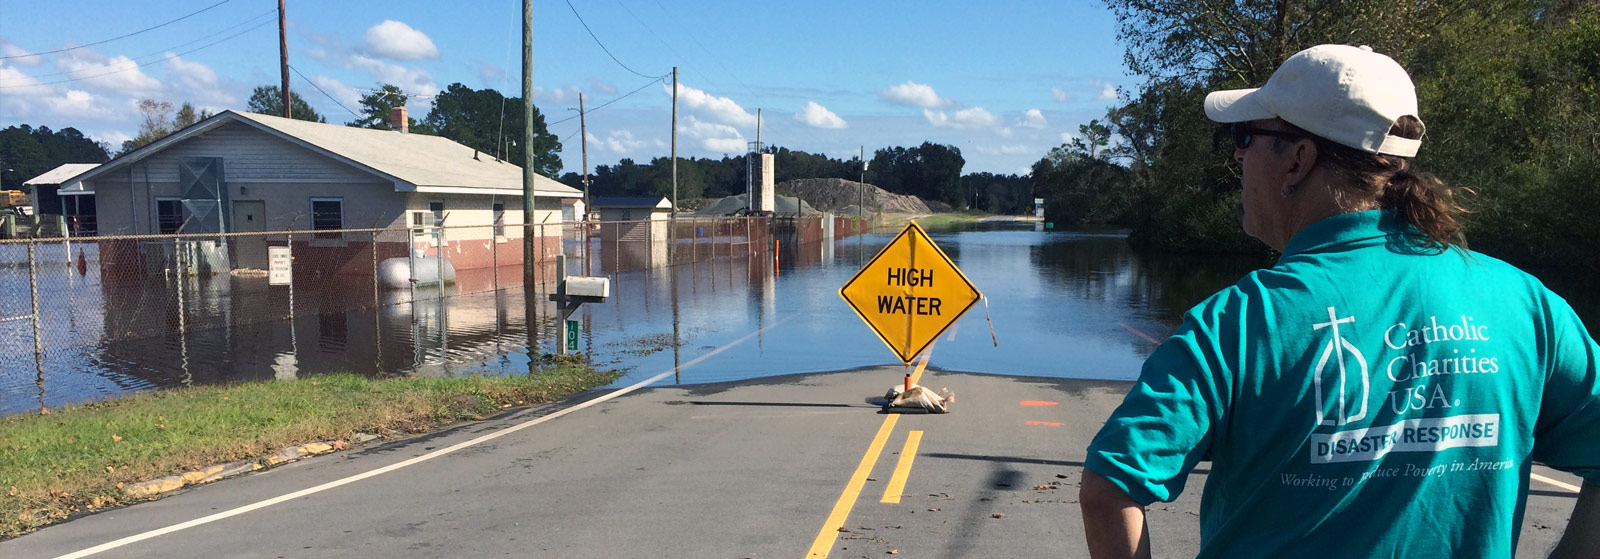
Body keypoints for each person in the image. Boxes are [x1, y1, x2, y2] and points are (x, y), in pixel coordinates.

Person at [1078, 44, 1600, 558]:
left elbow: (1109, 490)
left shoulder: (1239, 323)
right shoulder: (1525, 304)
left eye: (1246, 136)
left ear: (1298, 160)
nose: (1237, 154)